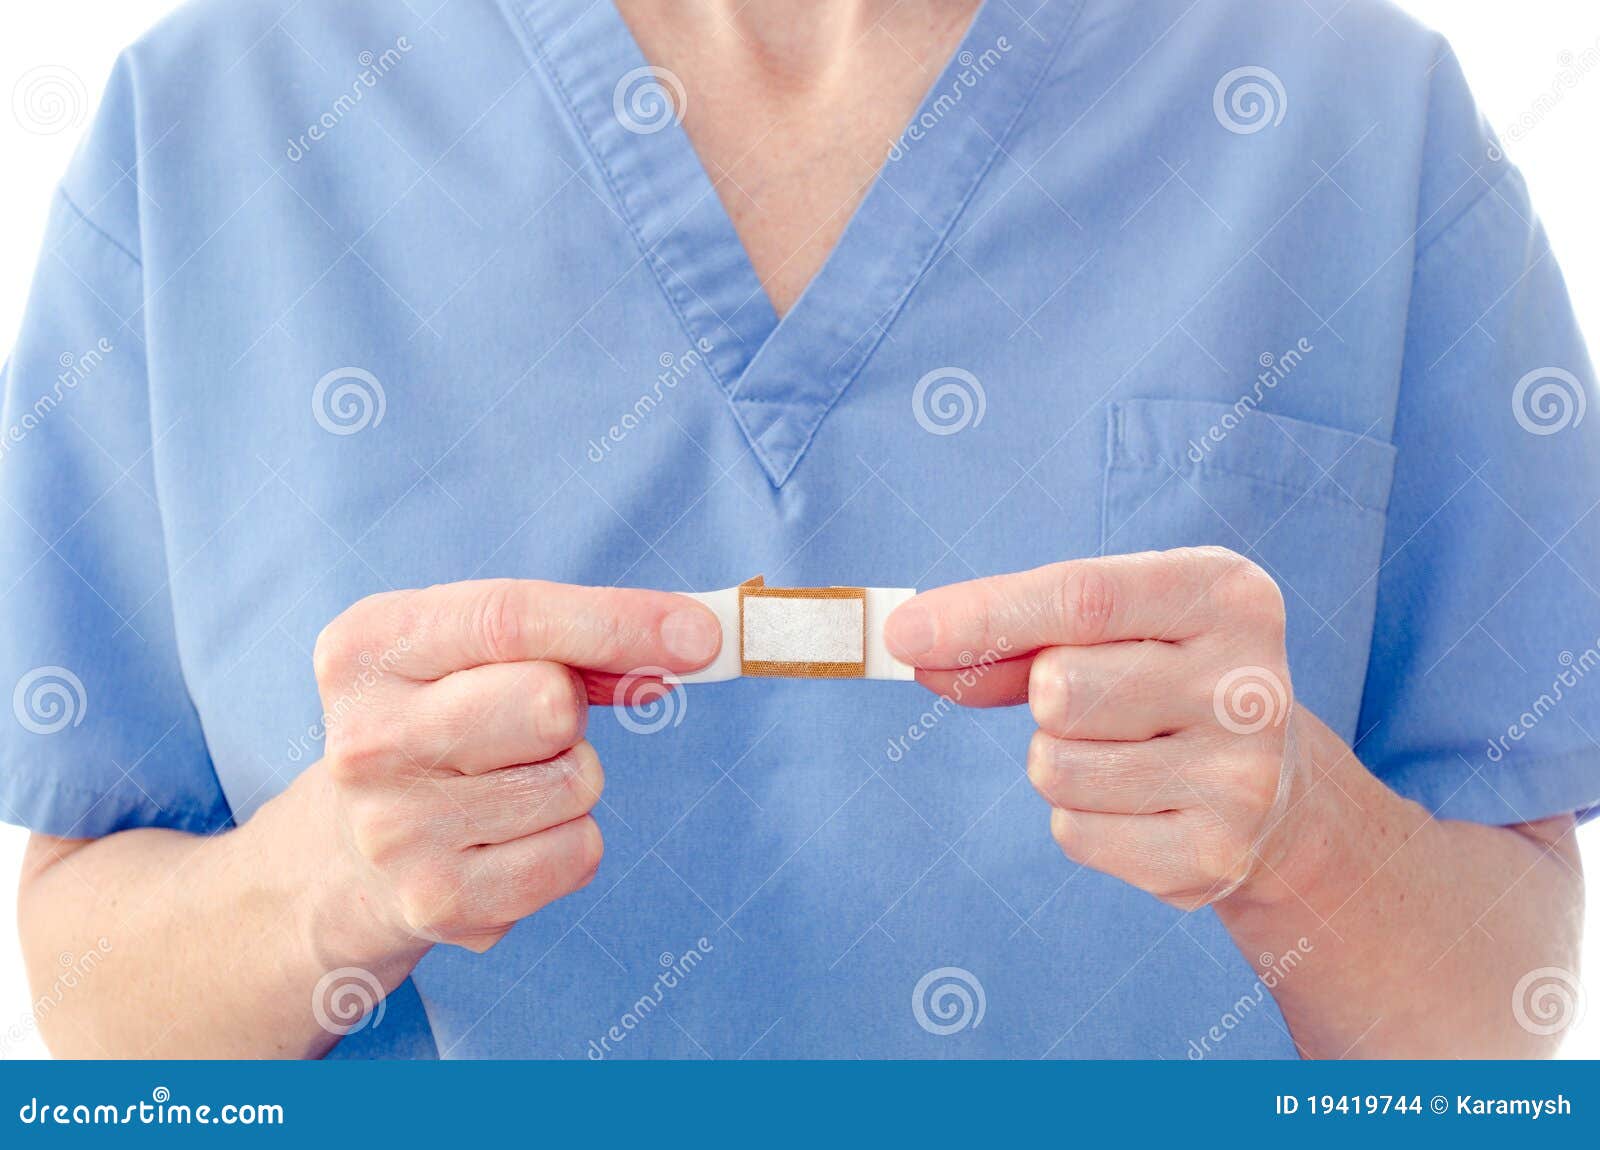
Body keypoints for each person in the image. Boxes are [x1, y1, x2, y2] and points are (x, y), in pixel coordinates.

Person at [2, 0, 1593, 1060]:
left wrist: (1300, 836)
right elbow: (85, 987)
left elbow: (1512, 1001)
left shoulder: (1356, 111)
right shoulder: (214, 121)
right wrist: (323, 889)